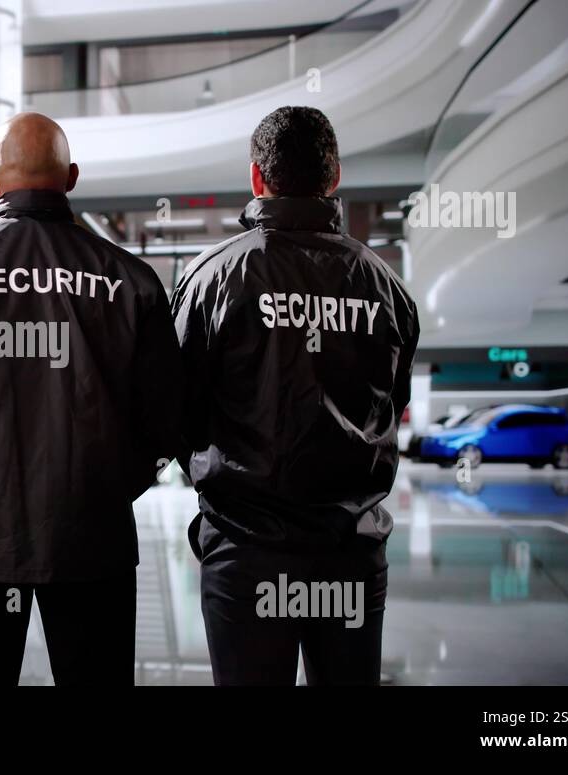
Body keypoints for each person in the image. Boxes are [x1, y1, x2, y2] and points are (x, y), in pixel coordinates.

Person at [0, 112, 181, 686]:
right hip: (92, 543)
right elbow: (164, 422)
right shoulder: (132, 281)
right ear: (71, 178)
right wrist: (106, 491)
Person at [171, 106, 419, 686]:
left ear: (257, 179)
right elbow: (392, 405)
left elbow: (175, 409)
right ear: (335, 179)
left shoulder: (211, 278)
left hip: (245, 550)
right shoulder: (387, 288)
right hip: (350, 553)